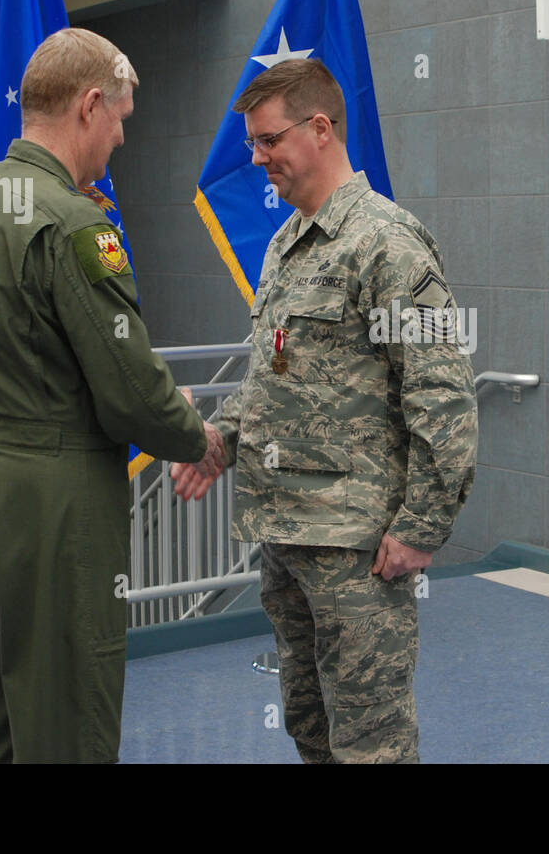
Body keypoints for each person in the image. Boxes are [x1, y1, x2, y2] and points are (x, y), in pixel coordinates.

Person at [173, 58, 477, 763]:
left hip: (358, 549)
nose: (257, 158)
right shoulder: (286, 245)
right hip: (286, 537)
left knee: (372, 744)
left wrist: (422, 525)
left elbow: (444, 394)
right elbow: (278, 382)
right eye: (253, 143)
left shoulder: (388, 243)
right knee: (311, 731)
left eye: (267, 140)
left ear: (319, 129)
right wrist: (222, 438)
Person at [0, 27, 223, 763]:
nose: (121, 137)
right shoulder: (74, 224)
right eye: (121, 117)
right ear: (89, 105)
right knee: (68, 723)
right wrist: (196, 437)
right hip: (55, 509)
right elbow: (128, 386)